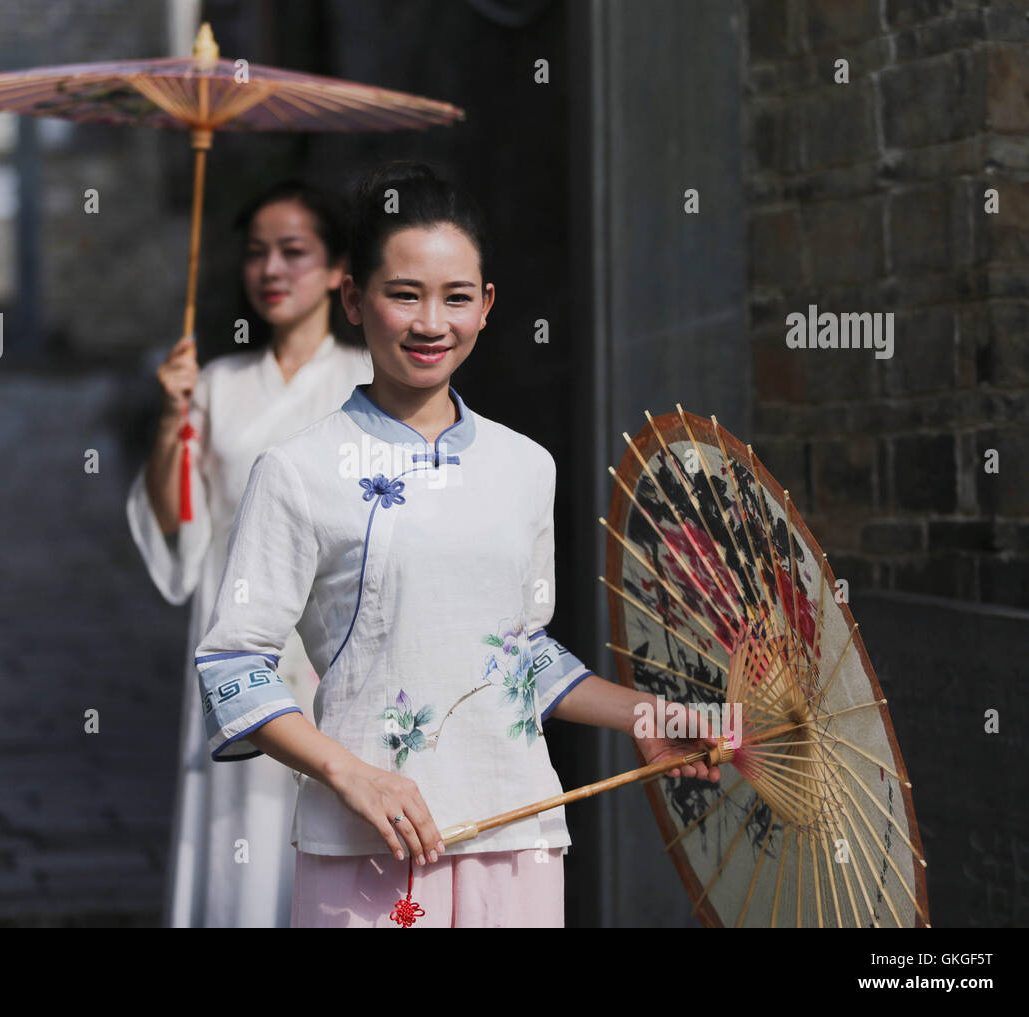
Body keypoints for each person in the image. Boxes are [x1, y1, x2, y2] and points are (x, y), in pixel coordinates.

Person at [193, 161, 720, 928]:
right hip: (365, 847)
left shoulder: (525, 465)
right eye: (404, 294)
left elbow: (518, 655)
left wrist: (651, 715)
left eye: (457, 297)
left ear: (487, 306)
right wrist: (351, 775)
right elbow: (233, 663)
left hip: (519, 831)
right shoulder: (297, 471)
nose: (431, 322)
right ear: (353, 299)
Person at [127, 180, 372, 928]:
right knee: (239, 817)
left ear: (338, 271)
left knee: (339, 803)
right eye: (258, 253)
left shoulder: (369, 380)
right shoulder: (216, 384)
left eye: (294, 252)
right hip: (240, 632)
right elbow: (176, 520)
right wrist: (173, 416)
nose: (272, 269)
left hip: (336, 635)